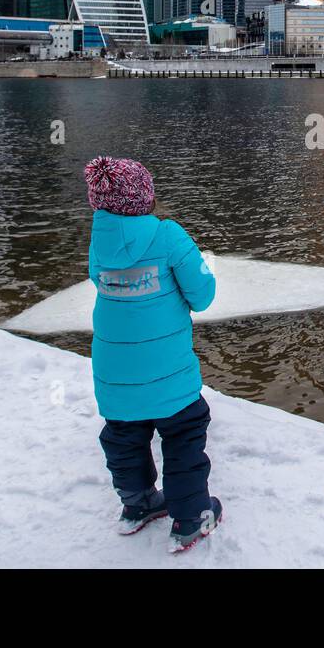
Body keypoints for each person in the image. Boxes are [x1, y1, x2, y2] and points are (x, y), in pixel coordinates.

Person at [83, 155, 222, 553]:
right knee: (183, 434)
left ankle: (137, 505)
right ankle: (191, 516)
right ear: (145, 196)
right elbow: (203, 295)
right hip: (169, 372)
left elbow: (99, 279)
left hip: (115, 375)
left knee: (124, 436)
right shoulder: (168, 235)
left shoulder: (100, 239)